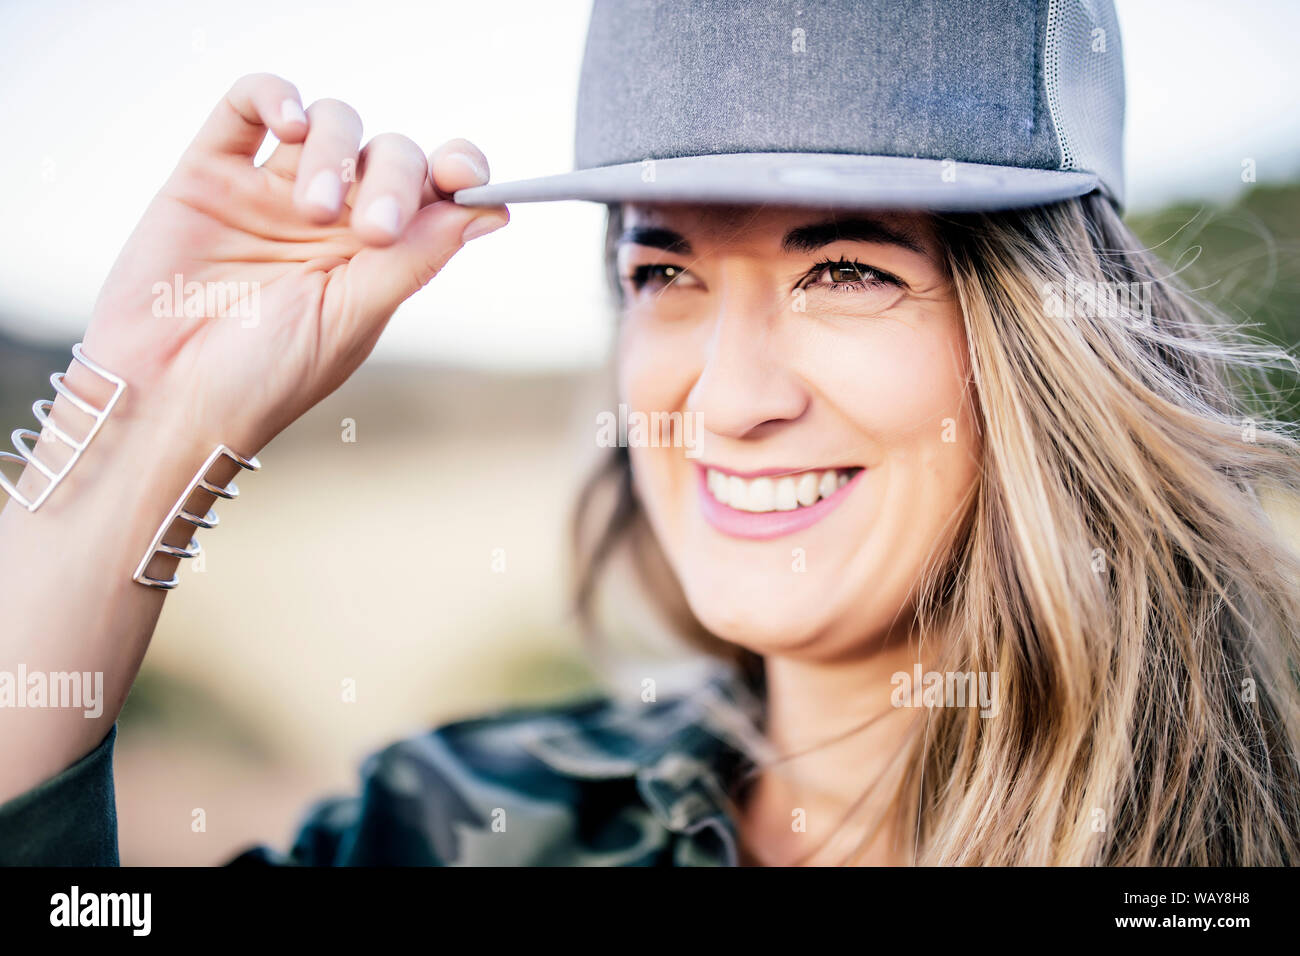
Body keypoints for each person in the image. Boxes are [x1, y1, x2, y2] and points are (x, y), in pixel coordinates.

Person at [3, 0, 1300, 867]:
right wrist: (141, 431)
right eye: (663, 272)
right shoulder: (461, 825)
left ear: (1051, 339)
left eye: (844, 270)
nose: (728, 402)